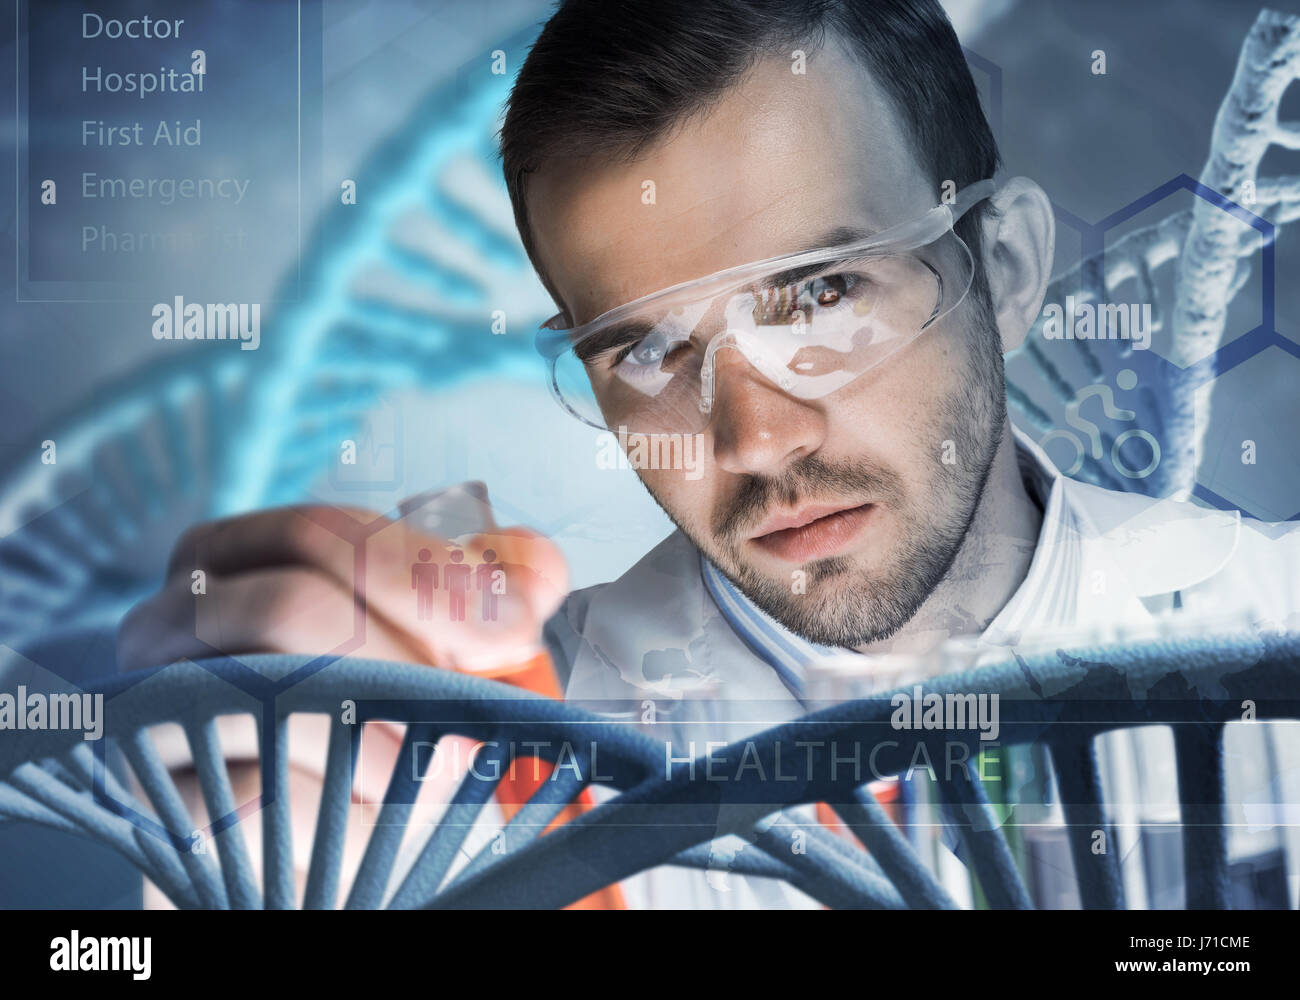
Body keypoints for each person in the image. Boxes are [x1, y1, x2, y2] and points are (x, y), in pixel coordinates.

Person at [118, 0, 1300, 908]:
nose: (753, 438)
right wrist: (240, 851)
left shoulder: (1273, 624)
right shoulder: (489, 757)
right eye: (643, 350)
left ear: (1007, 271)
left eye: (821, 294)